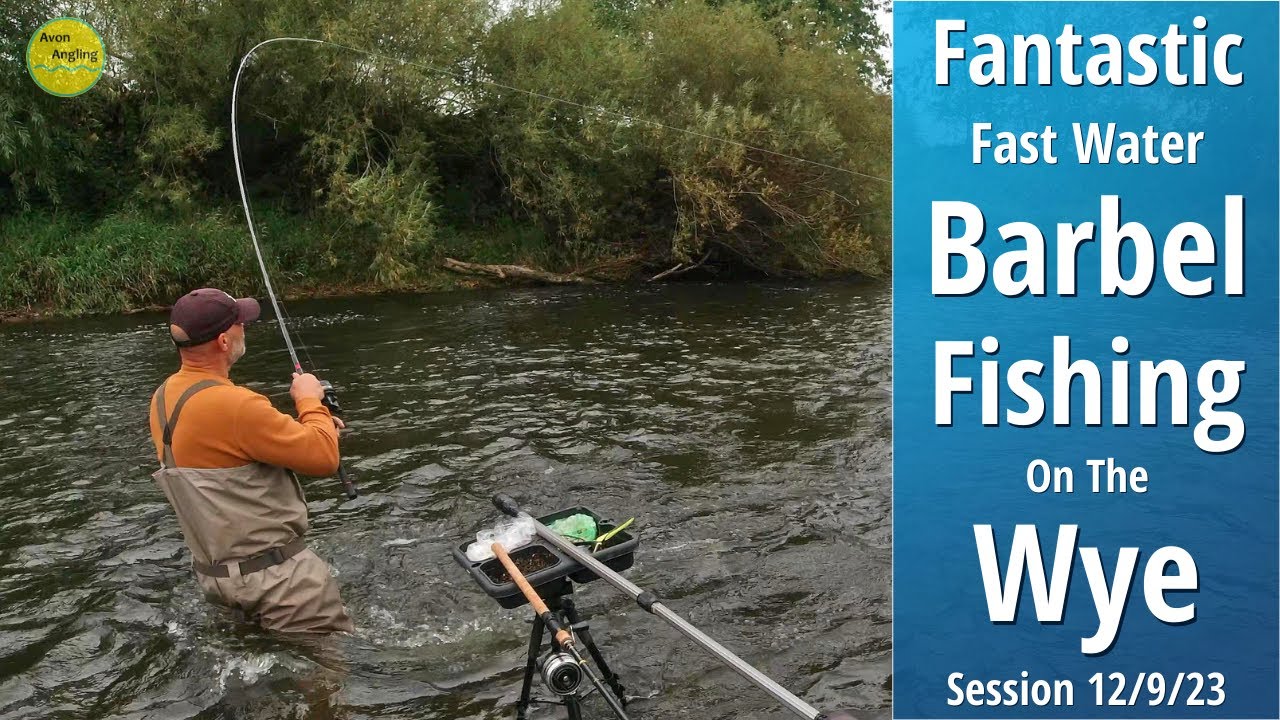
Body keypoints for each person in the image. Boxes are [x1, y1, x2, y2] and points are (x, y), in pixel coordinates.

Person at [148, 287, 354, 634]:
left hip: (219, 583)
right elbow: (324, 458)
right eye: (241, 323)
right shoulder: (238, 405)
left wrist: (313, 427)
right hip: (280, 585)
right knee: (326, 680)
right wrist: (310, 401)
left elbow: (229, 454)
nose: (246, 328)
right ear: (224, 341)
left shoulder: (163, 398)